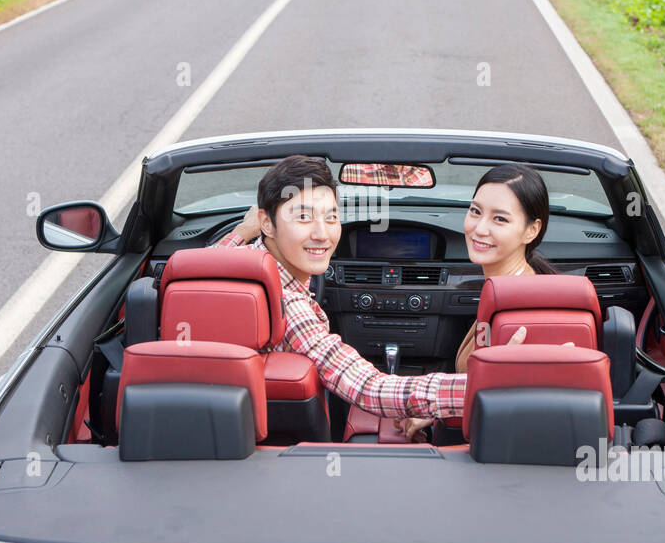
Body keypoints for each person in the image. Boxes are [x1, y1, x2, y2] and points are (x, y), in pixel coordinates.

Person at [214, 155, 526, 432]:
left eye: (331, 216)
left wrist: (241, 233)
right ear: (267, 223)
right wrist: (489, 384)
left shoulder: (223, 268)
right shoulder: (288, 305)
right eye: (304, 218)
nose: (322, 234)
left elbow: (206, 259)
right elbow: (369, 388)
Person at [451, 163, 558, 374]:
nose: (479, 229)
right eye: (475, 211)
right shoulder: (505, 291)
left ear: (531, 230)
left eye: (500, 219)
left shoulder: (523, 309)